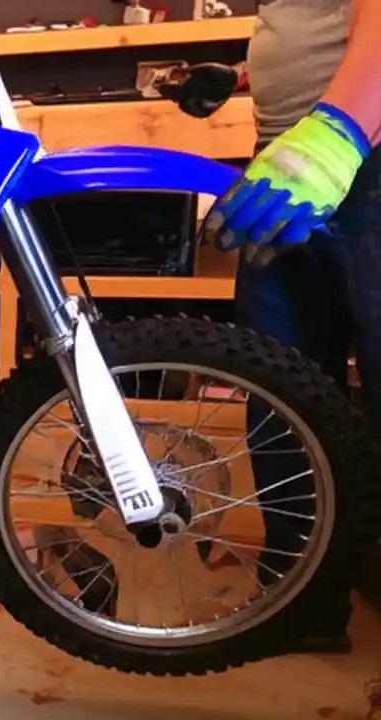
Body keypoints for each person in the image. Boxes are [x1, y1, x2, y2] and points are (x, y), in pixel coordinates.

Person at [202, 0, 381, 653]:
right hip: (293, 152)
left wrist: (337, 132)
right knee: (287, 394)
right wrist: (251, 76)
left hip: (357, 152)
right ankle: (304, 599)